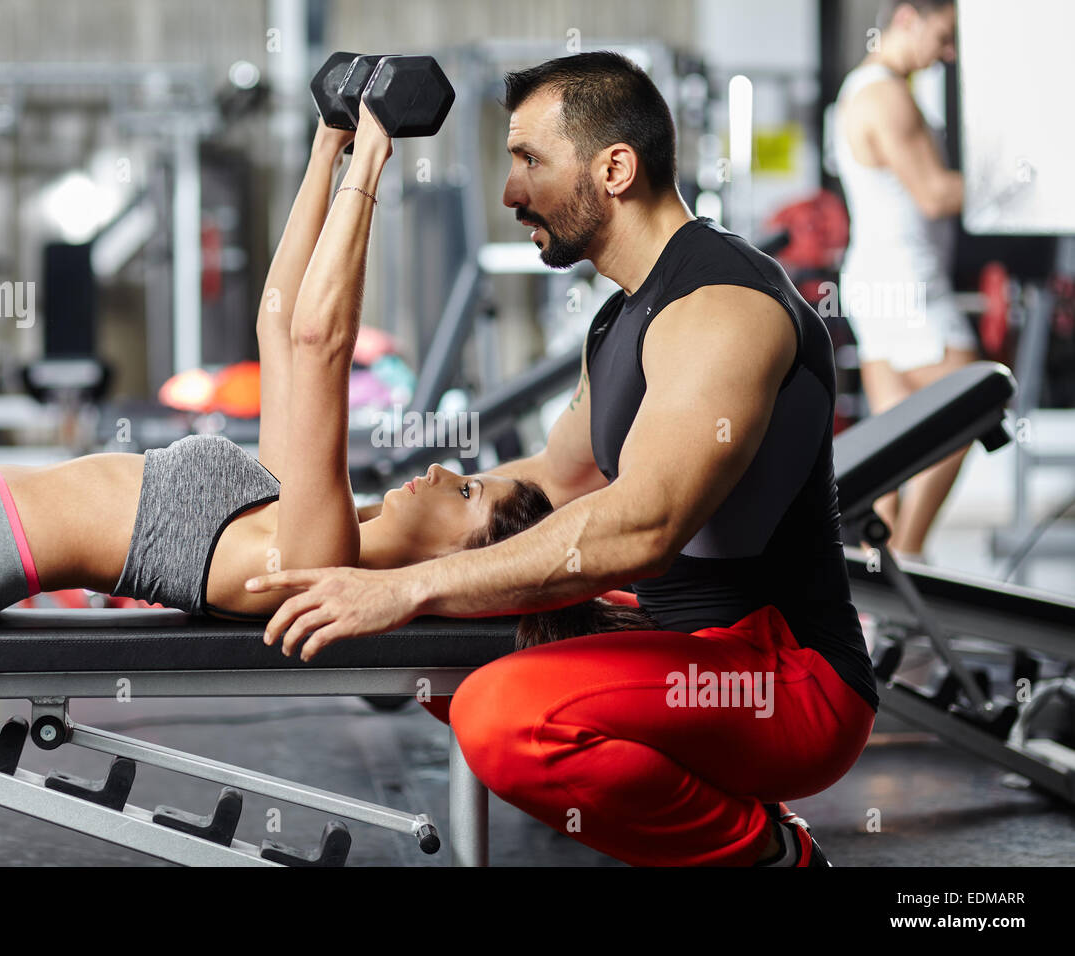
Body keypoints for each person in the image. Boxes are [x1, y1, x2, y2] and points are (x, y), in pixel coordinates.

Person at [246, 51, 880, 867]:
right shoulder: (620, 320)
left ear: (615, 168)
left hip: (785, 680)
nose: (511, 194)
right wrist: (371, 534)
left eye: (529, 162)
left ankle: (769, 854)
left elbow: (640, 525)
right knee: (453, 635)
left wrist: (410, 586)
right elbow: (555, 477)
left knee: (502, 713)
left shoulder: (724, 307)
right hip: (685, 646)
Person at [0, 94, 651, 648]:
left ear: (467, 563)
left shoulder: (320, 552)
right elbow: (280, 327)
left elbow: (320, 346)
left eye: (466, 496)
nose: (440, 472)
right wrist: (327, 150)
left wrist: (372, 169)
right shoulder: (317, 517)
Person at [835, 0, 977, 563]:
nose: (949, 53)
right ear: (907, 17)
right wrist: (1029, 178)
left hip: (879, 277)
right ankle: (913, 557)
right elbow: (936, 194)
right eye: (944, 36)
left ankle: (885, 585)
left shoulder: (865, 87)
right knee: (972, 399)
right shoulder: (886, 95)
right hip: (904, 281)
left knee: (893, 447)